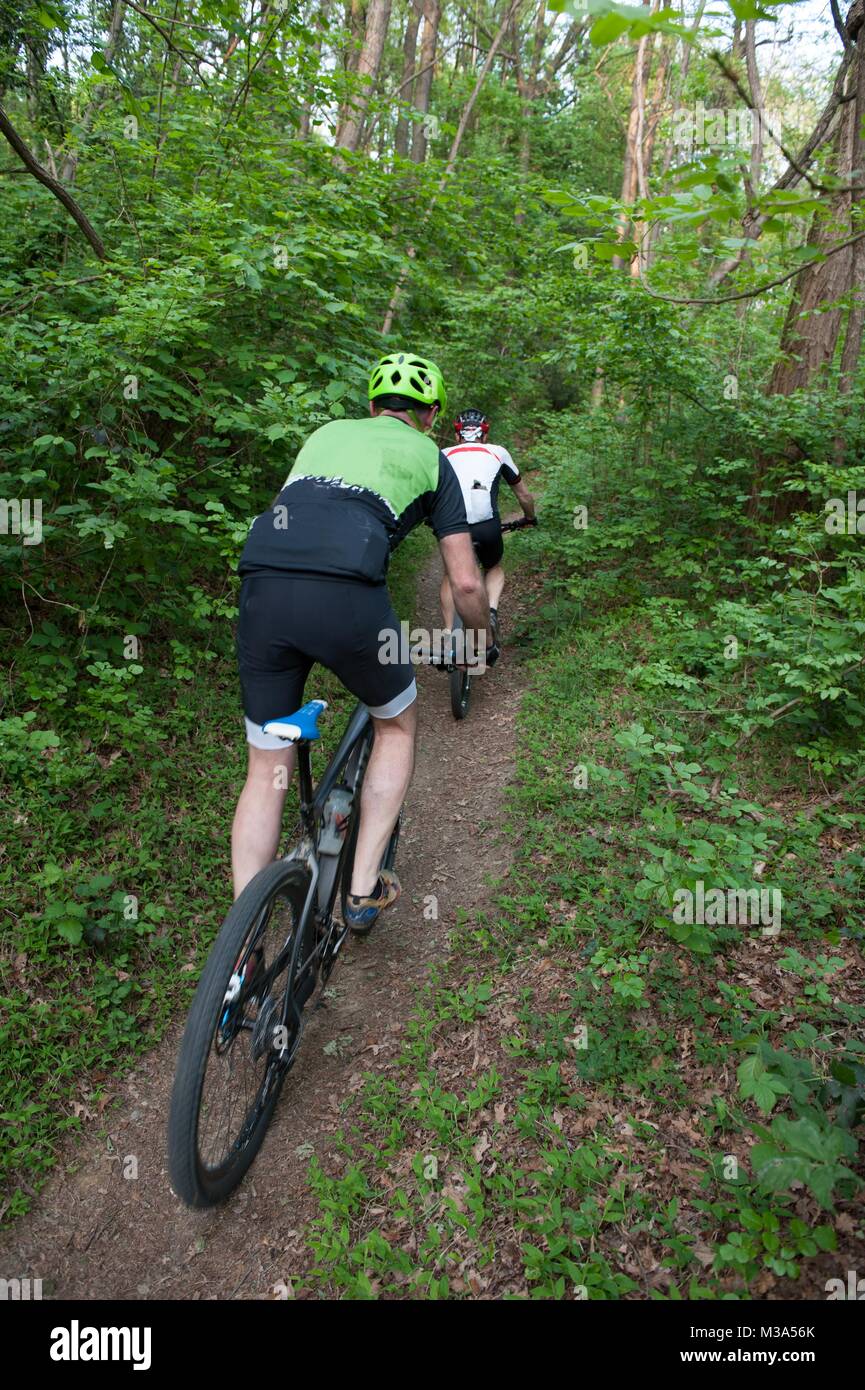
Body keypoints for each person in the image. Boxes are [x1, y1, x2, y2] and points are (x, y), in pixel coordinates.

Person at [231, 352, 496, 931]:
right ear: (431, 416)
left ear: (371, 406)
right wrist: (479, 639)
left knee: (264, 769)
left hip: (261, 589)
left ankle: (242, 946)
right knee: (396, 725)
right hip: (348, 597)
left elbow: (301, 517)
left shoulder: (323, 435)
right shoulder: (432, 456)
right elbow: (468, 580)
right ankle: (362, 889)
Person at [440, 409, 535, 641]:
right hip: (487, 526)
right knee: (493, 567)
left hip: (452, 525)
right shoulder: (498, 452)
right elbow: (524, 496)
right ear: (484, 436)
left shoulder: (441, 455)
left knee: (451, 574)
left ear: (457, 436)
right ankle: (491, 612)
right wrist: (529, 518)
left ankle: (447, 631)